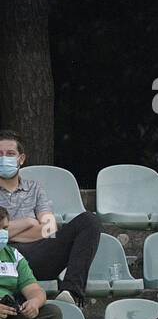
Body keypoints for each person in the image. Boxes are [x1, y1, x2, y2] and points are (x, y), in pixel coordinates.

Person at [0, 130, 102, 308]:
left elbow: (48, 228)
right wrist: (29, 223)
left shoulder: (35, 188)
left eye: (10, 154)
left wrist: (8, 232)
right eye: (0, 154)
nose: (4, 158)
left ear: (21, 159)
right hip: (5, 257)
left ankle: (70, 292)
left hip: (39, 254)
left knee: (89, 220)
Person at [0, 207, 62, 319]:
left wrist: (34, 302)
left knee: (51, 313)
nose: (2, 233)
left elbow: (34, 289)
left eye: (5, 228)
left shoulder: (13, 255)